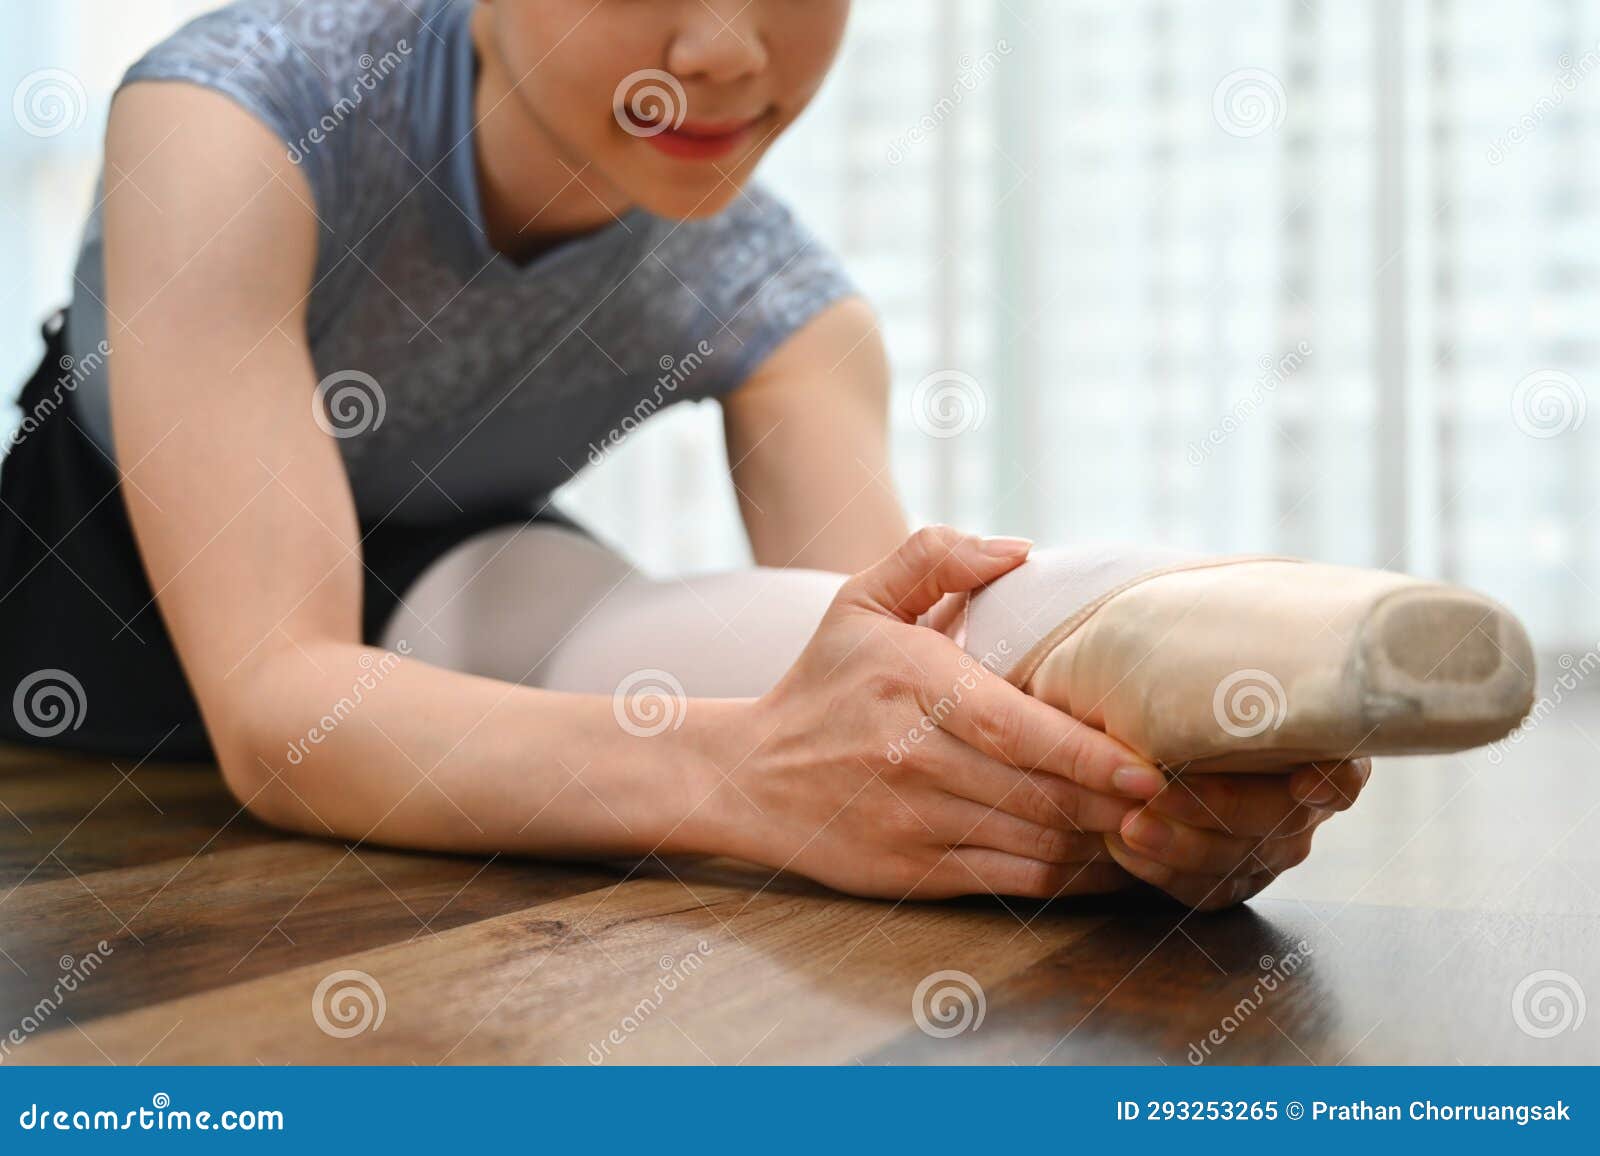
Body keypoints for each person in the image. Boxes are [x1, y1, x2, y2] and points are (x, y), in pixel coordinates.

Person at [6, 0, 1467, 911]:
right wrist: (745, 780)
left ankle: (1140, 613)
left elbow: (877, 663)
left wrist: (1126, 799)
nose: (723, 51)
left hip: (449, 607)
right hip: (88, 611)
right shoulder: (228, 114)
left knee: (559, 593)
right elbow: (281, 710)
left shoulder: (788, 308)